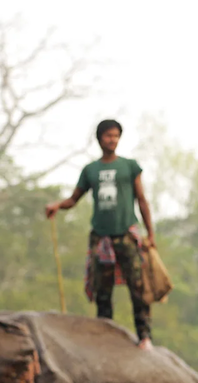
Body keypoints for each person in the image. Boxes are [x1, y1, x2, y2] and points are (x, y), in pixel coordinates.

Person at [45, 119, 157, 349]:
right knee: (102, 290)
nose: (112, 140)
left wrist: (150, 233)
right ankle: (105, 335)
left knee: (137, 287)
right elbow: (74, 199)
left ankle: (144, 336)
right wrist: (57, 205)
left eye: (116, 136)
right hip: (101, 237)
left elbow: (142, 200)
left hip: (126, 233)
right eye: (108, 136)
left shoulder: (129, 166)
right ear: (99, 139)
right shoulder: (91, 170)